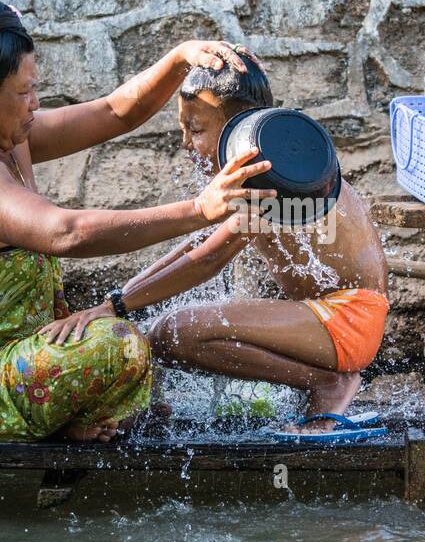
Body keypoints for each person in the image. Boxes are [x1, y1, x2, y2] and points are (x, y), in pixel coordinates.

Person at [0, 0, 273, 442]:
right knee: (119, 347)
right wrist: (200, 210)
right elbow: (63, 233)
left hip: (9, 359)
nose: (35, 104)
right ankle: (61, 428)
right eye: (24, 92)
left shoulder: (7, 137)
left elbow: (114, 113)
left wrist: (181, 57)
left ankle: (67, 425)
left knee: (137, 373)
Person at [106, 58, 389, 430]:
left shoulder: (266, 179)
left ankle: (328, 383)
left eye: (195, 129)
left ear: (236, 129)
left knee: (171, 331)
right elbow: (195, 246)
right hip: (329, 316)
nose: (186, 143)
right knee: (158, 329)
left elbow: (204, 262)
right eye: (182, 128)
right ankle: (150, 407)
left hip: (349, 319)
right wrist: (118, 300)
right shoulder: (267, 170)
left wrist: (116, 306)